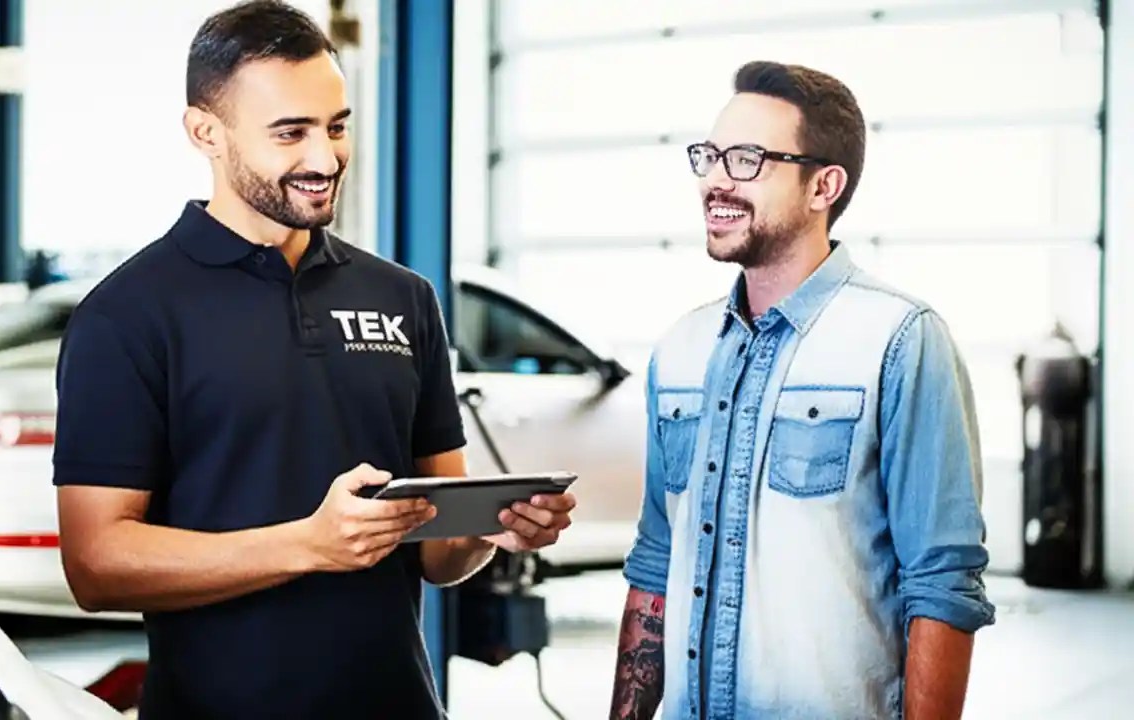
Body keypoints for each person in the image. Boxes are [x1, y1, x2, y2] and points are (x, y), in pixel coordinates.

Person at [51, 2, 576, 718]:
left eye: (336, 126)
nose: (325, 158)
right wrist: (307, 545)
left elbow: (436, 551)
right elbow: (96, 565)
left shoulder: (403, 298)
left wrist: (490, 530)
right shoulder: (128, 314)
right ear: (205, 132)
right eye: (290, 133)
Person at [610, 60, 995, 720]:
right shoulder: (679, 350)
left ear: (825, 186)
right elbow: (655, 563)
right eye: (709, 156)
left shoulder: (901, 340)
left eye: (747, 158)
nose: (715, 180)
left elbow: (942, 586)